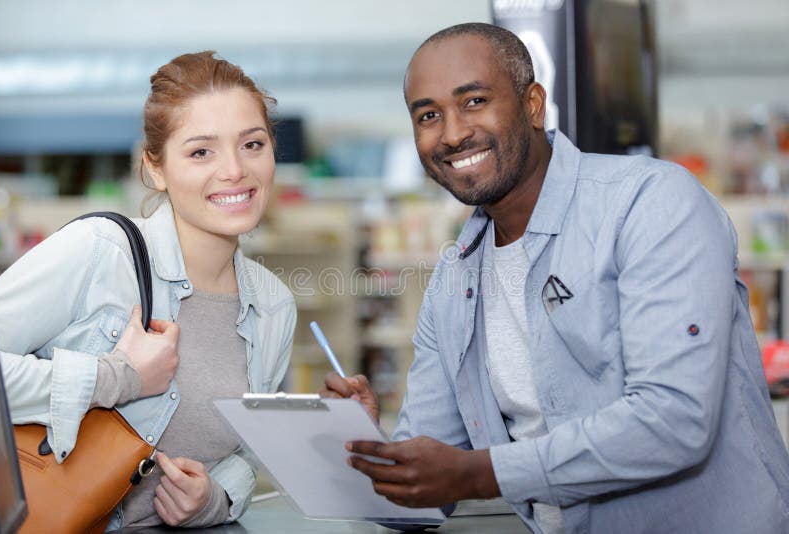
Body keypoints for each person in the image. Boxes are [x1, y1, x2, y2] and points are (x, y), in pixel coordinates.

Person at [323, 23, 789, 534]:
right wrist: (373, 453)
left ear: (533, 104)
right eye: (428, 116)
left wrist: (480, 474)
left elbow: (674, 420)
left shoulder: (649, 204)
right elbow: (422, 501)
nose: (453, 133)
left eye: (474, 101)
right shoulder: (454, 281)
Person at [0, 51, 296, 530]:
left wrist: (216, 497)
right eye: (201, 151)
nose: (235, 170)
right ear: (155, 168)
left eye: (252, 144)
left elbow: (245, 451)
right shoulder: (101, 252)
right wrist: (117, 378)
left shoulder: (275, 305)